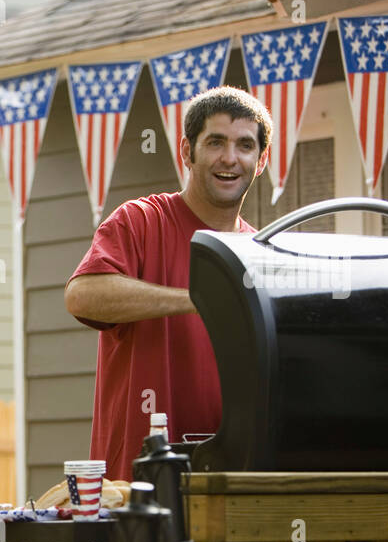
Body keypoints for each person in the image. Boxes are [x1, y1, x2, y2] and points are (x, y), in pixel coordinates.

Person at [64, 86, 272, 481]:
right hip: (137, 486)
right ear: (186, 151)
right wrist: (200, 298)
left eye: (245, 145)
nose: (230, 158)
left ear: (261, 161)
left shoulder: (263, 253)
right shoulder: (141, 221)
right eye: (215, 142)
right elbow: (82, 296)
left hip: (230, 480)